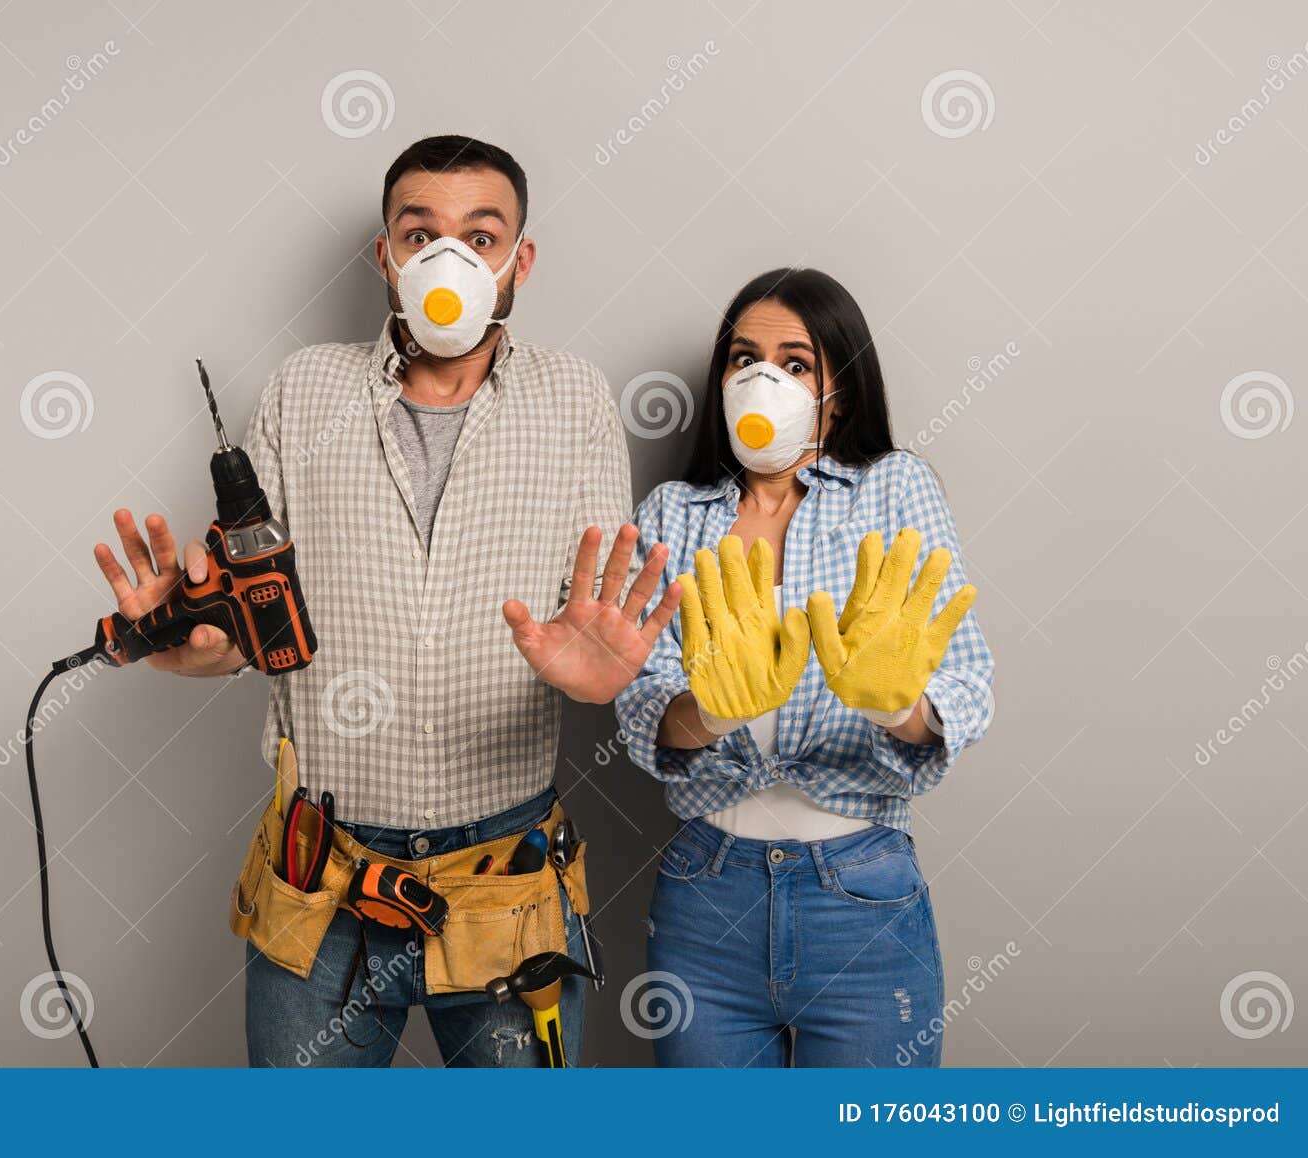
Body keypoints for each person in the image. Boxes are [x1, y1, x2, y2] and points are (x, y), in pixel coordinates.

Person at [91, 136, 681, 1067]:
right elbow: (251, 626)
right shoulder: (301, 390)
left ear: (519, 260)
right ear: (387, 255)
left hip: (505, 888)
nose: (450, 259)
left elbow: (590, 629)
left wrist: (599, 675)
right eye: (421, 233)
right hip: (318, 882)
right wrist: (193, 639)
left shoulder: (574, 399)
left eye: (481, 237)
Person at [615, 268, 994, 1067]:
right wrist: (705, 710)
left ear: (840, 393)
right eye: (744, 358)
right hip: (705, 895)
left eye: (795, 363)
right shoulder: (670, 515)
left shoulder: (893, 489)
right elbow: (639, 701)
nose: (763, 380)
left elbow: (965, 682)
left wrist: (899, 706)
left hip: (862, 895)